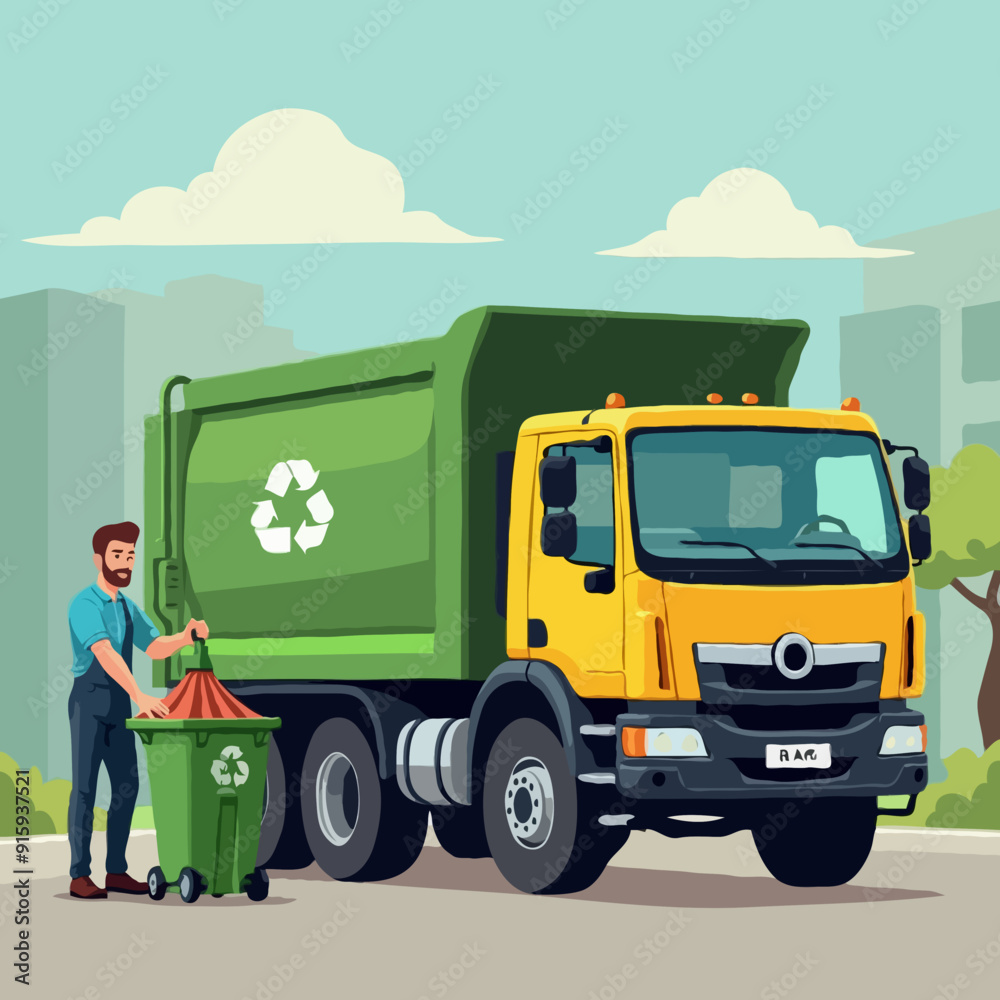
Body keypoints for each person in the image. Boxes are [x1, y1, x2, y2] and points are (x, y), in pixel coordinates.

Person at [66, 521, 209, 900]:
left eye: (130, 555)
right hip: (89, 702)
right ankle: (80, 874)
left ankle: (116, 870)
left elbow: (155, 646)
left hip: (119, 708)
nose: (125, 562)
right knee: (85, 789)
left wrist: (185, 636)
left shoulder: (128, 608)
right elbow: (106, 654)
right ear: (99, 559)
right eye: (117, 555)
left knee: (126, 789)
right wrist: (141, 695)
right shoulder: (84, 604)